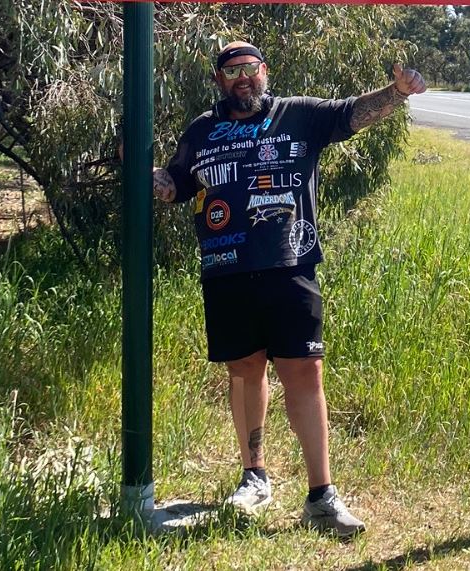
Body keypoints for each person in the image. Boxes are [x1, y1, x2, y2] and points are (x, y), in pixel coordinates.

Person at [153, 41, 425, 537]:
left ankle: (322, 497)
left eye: (249, 69)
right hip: (226, 270)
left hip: (289, 266)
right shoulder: (201, 130)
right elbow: (175, 184)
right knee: (245, 370)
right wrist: (148, 176)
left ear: (265, 72)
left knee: (304, 372)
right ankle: (253, 476)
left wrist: (397, 92)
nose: (242, 78)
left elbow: (351, 115)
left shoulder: (297, 115)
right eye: (231, 71)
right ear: (219, 81)